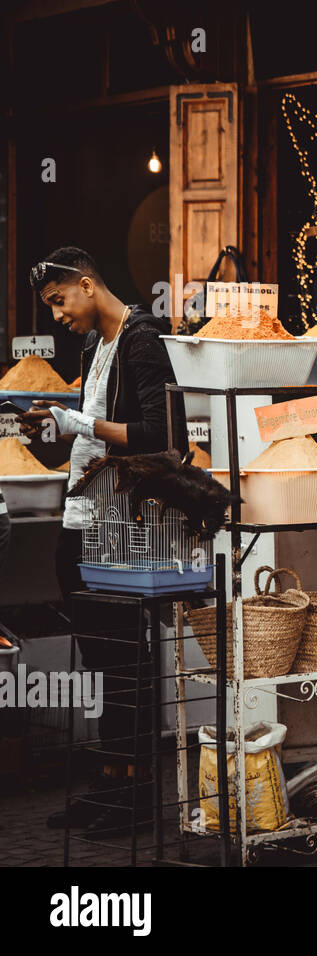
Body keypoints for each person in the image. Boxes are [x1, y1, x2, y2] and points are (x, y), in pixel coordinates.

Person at [21, 247, 176, 832]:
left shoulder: (142, 339)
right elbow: (90, 430)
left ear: (87, 285)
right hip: (80, 519)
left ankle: (136, 799)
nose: (58, 316)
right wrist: (59, 423)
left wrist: (79, 422)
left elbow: (158, 434)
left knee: (126, 660)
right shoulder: (92, 347)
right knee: (102, 659)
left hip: (120, 527)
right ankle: (109, 785)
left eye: (60, 302)